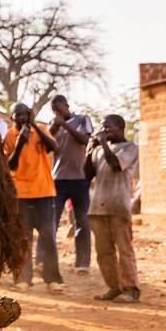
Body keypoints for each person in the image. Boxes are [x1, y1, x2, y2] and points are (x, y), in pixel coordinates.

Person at [4, 103, 63, 291]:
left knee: (48, 237)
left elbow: (54, 147)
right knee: (23, 239)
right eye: (18, 115)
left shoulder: (42, 128)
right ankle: (22, 279)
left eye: (25, 114)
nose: (22, 118)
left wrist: (35, 125)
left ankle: (52, 280)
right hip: (20, 194)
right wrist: (20, 143)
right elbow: (10, 165)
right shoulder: (10, 135)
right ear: (12, 117)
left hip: (44, 192)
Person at [87, 115, 140, 302]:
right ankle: (114, 287)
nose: (104, 131)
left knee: (124, 249)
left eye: (107, 128)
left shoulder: (130, 148)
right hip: (97, 207)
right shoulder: (100, 150)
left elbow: (116, 165)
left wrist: (103, 144)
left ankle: (131, 289)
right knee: (104, 251)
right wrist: (90, 150)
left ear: (120, 128)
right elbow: (87, 174)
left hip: (119, 205)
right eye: (102, 128)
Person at [49, 94, 94, 272]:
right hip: (58, 179)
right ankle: (48, 262)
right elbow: (47, 145)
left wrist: (65, 125)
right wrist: (54, 126)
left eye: (60, 108)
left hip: (80, 178)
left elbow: (86, 140)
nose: (57, 111)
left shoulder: (83, 119)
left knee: (82, 221)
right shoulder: (53, 125)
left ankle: (82, 263)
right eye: (54, 109)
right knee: (51, 222)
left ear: (67, 105)